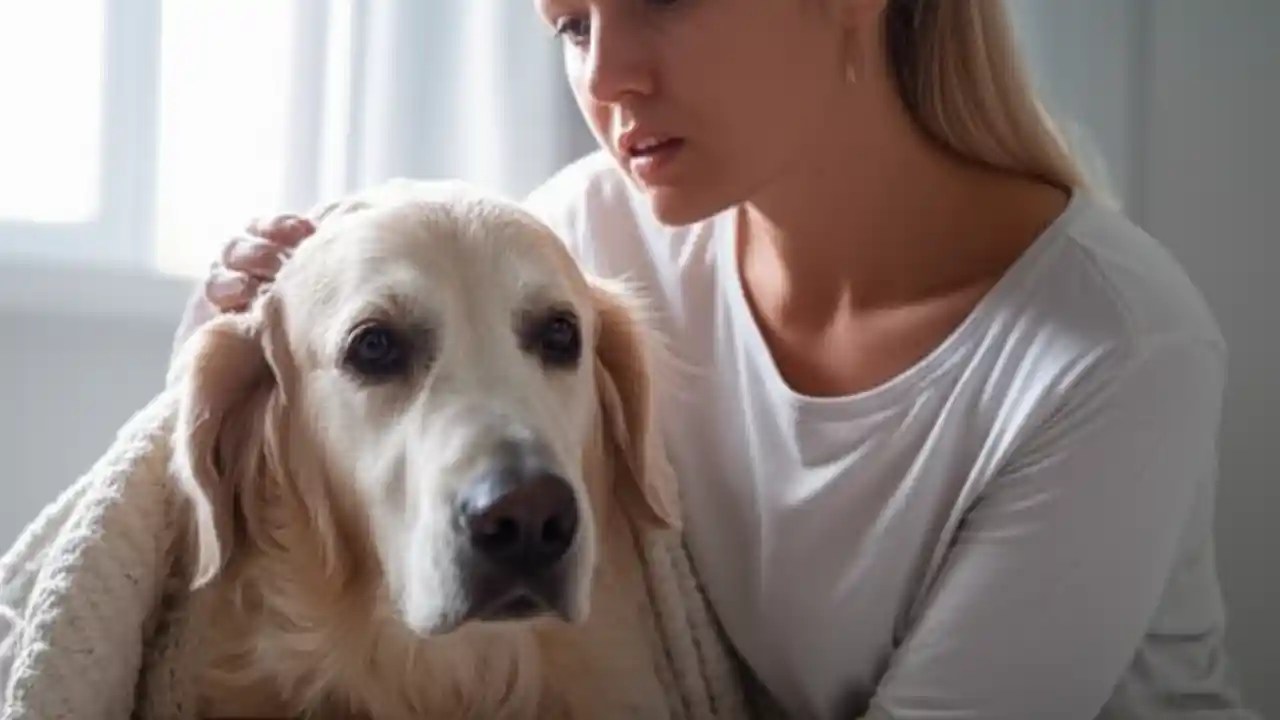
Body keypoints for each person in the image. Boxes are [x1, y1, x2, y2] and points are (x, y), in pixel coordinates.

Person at [177, 1, 1256, 718]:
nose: (606, 77)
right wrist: (225, 320)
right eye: (572, 24)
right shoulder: (596, 231)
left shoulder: (1113, 351)